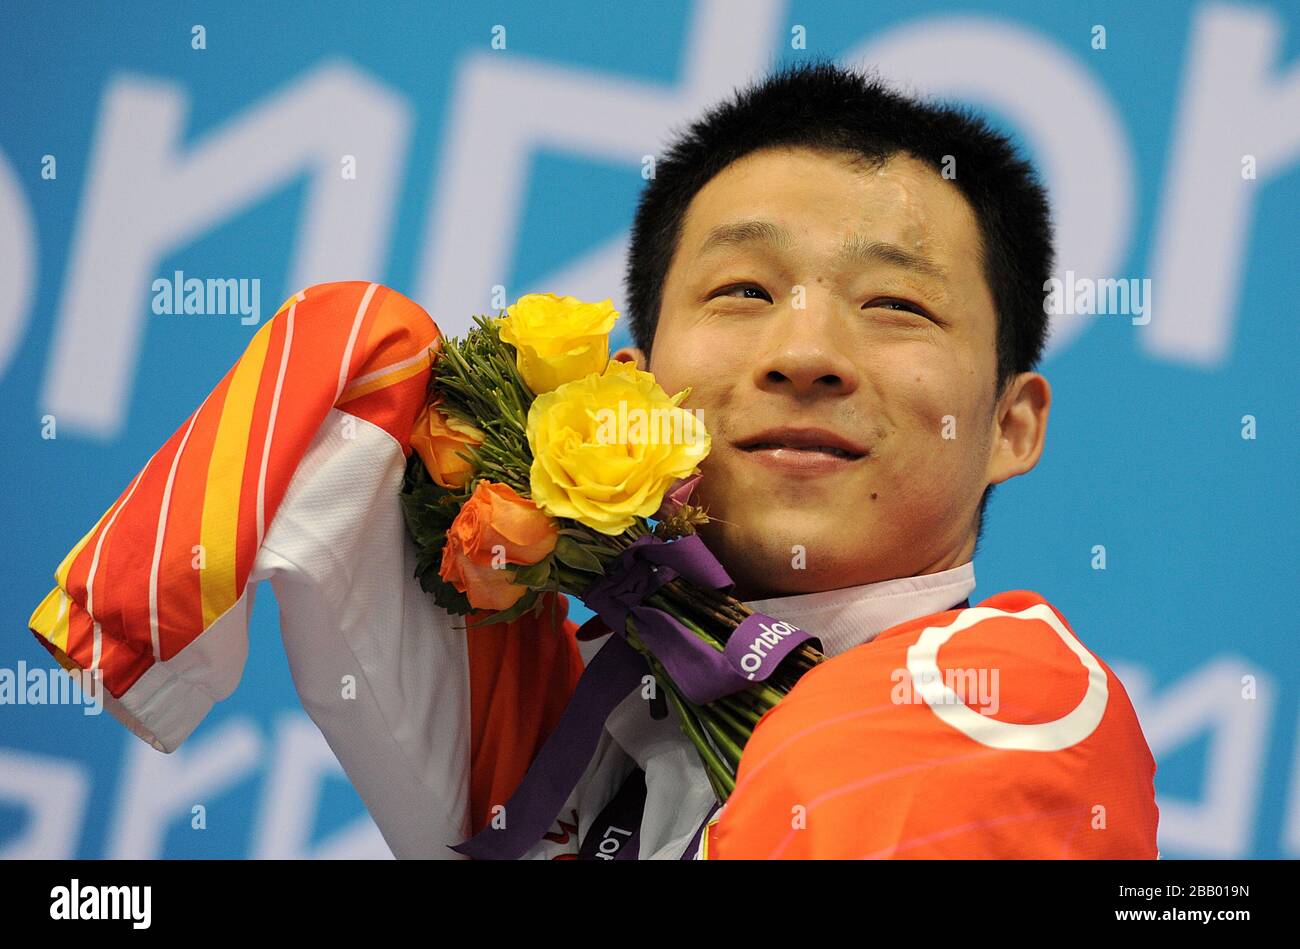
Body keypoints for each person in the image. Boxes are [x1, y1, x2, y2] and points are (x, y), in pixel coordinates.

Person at [27, 60, 1158, 859]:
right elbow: (360, 398)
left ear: (1011, 423)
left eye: (897, 303)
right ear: (626, 393)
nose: (806, 351)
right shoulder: (578, 744)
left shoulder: (1007, 702)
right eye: (743, 292)